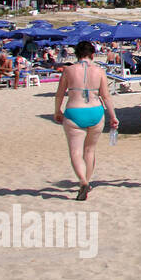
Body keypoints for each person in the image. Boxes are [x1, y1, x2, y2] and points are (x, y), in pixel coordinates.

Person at [53, 41, 118, 201]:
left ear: (76, 54)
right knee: (90, 151)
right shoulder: (99, 71)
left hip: (75, 110)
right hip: (95, 111)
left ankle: (82, 181)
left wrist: (57, 111)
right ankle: (87, 181)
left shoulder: (69, 70)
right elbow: (106, 96)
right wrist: (113, 115)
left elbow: (60, 94)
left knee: (76, 152)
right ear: (92, 54)